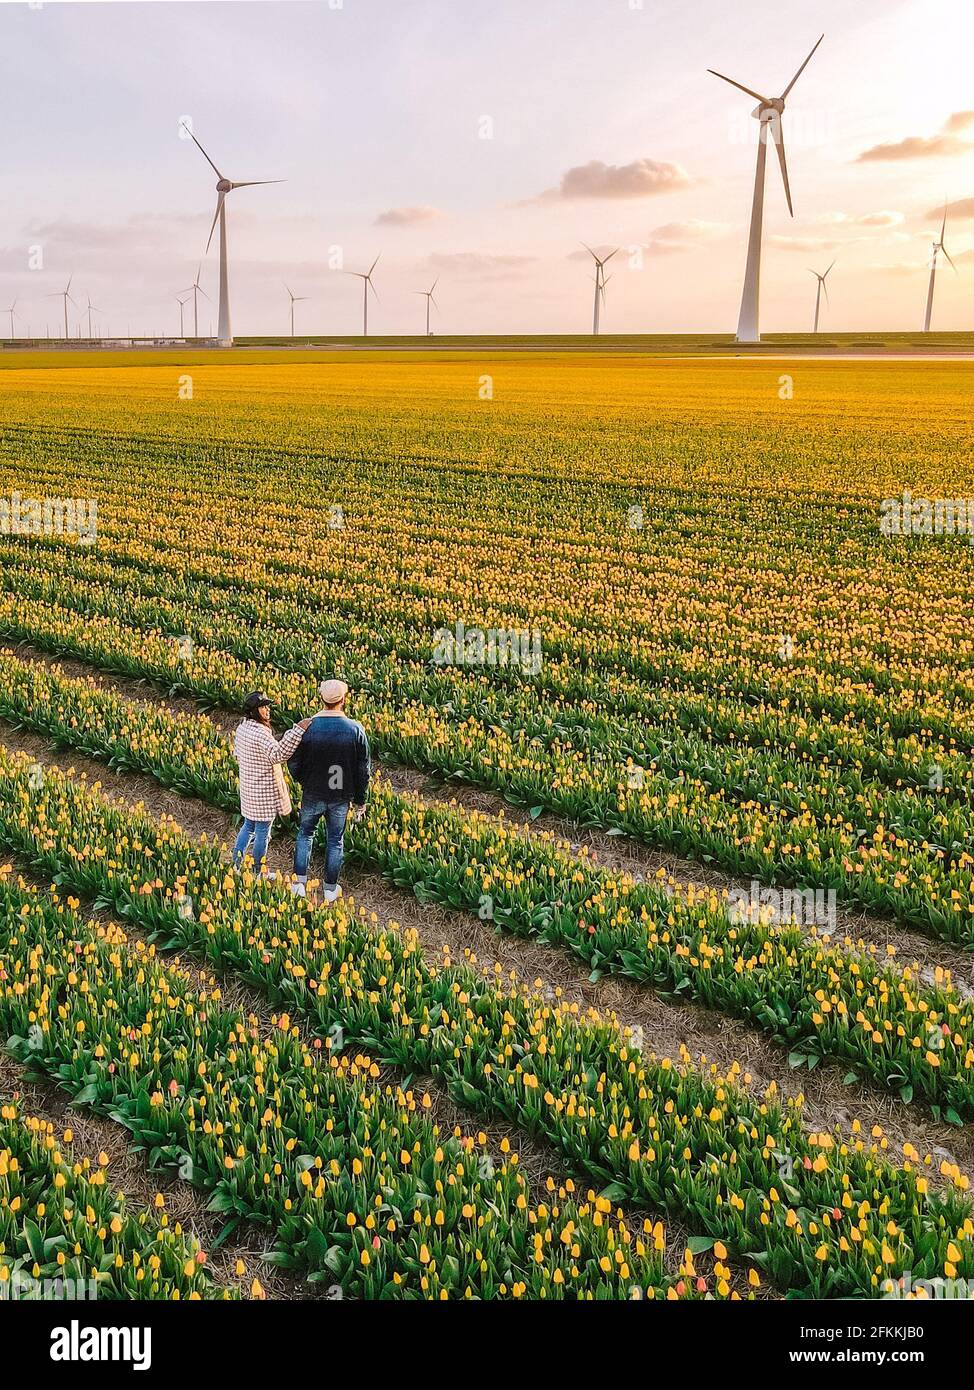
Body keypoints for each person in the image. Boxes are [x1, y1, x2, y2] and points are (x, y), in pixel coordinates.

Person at [287, 678, 370, 901]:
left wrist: (303, 780)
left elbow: (293, 762)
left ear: (321, 699)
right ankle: (330, 889)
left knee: (305, 835)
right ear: (343, 700)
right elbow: (363, 770)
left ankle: (299, 885)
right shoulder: (355, 729)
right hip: (340, 795)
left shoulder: (308, 726)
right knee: (335, 840)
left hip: (313, 791)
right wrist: (361, 800)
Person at [231, 691, 310, 871]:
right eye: (263, 707)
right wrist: (297, 731)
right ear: (254, 711)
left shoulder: (243, 728)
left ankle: (235, 865)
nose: (267, 710)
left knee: (248, 826)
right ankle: (258, 870)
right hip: (263, 791)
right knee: (262, 833)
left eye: (267, 706)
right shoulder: (260, 733)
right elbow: (278, 755)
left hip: (249, 787)